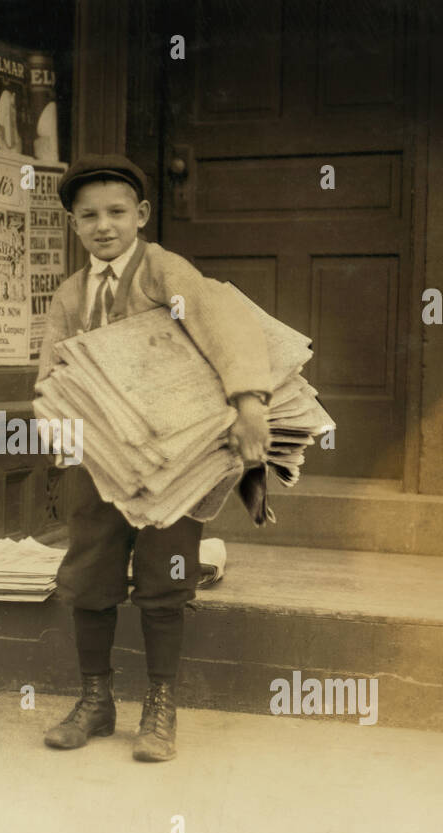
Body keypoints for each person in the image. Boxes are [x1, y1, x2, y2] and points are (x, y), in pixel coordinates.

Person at [35, 154, 273, 762]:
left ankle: (160, 708)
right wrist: (57, 428)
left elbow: (226, 329)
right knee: (90, 572)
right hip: (102, 461)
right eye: (88, 216)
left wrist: (248, 403)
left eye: (116, 212)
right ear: (74, 225)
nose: (103, 226)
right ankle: (95, 700)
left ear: (141, 214)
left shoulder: (165, 273)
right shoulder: (70, 294)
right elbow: (53, 371)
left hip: (175, 460)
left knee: (167, 575)